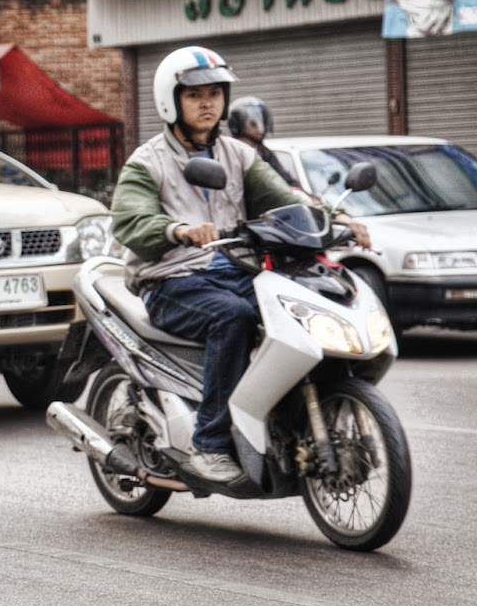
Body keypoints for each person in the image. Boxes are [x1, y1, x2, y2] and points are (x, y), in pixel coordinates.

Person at [111, 46, 370, 484]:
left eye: (215, 93)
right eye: (195, 95)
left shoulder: (239, 155)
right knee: (233, 319)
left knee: (302, 308)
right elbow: (131, 220)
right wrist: (177, 230)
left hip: (231, 268)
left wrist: (337, 218)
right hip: (170, 278)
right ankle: (209, 444)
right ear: (171, 101)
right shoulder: (147, 162)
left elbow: (286, 198)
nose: (207, 103)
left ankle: (283, 415)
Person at [225, 96, 297, 185]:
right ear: (236, 124)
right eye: (252, 123)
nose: (259, 129)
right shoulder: (228, 152)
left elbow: (285, 179)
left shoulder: (263, 152)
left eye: (261, 120)